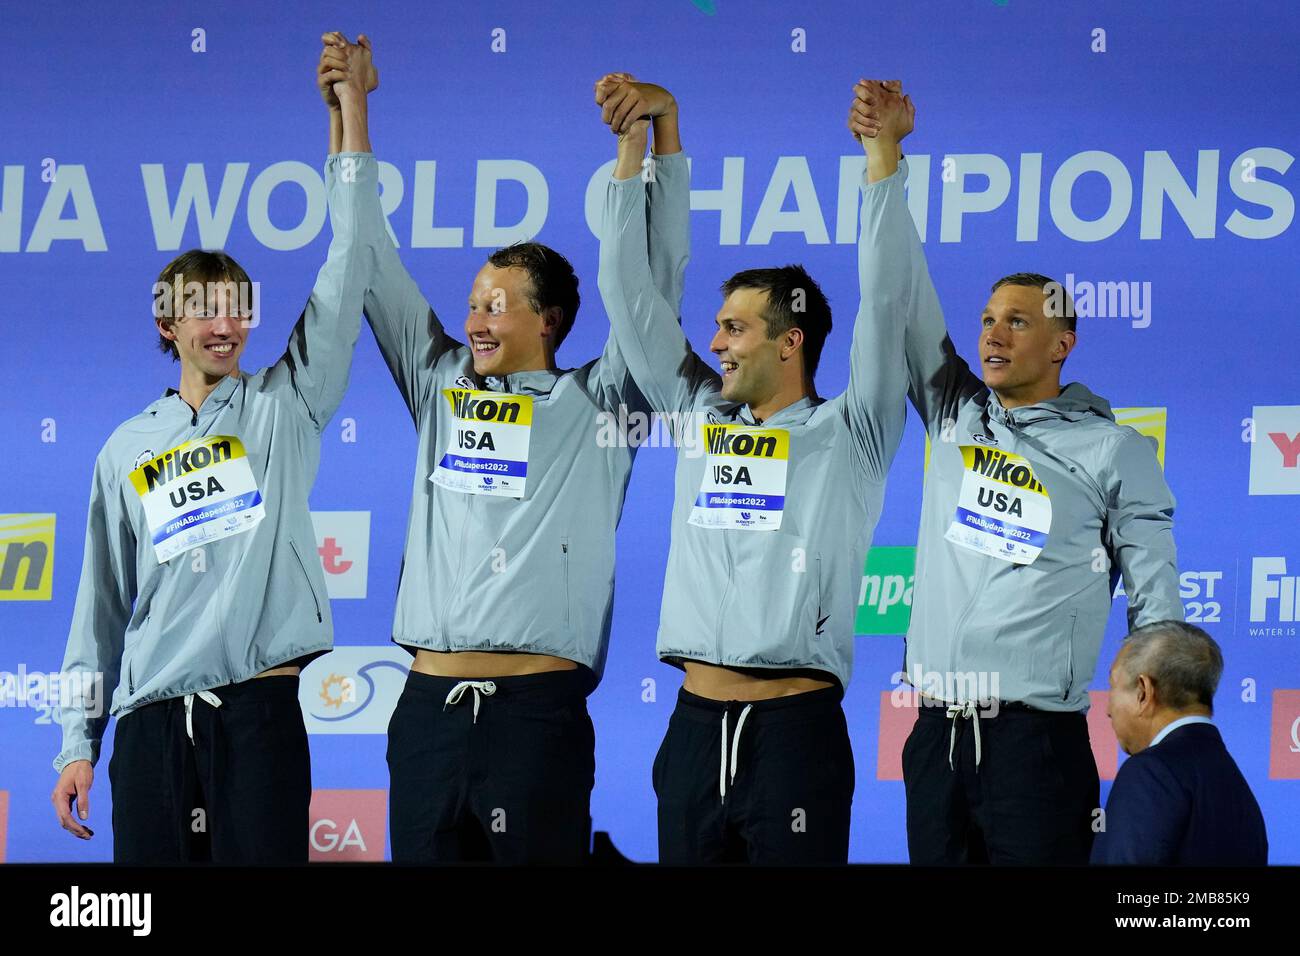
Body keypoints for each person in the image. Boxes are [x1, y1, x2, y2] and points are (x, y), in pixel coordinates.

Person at [315, 40, 659, 865]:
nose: (474, 320)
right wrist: (352, 106)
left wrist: (637, 149)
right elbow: (367, 254)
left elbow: (649, 288)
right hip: (425, 711)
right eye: (471, 302)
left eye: (496, 305)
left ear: (548, 321)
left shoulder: (604, 401)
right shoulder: (441, 384)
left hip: (535, 714)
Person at [49, 38, 377, 863]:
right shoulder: (126, 448)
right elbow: (99, 610)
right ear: (169, 324)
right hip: (152, 726)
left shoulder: (285, 403)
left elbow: (347, 264)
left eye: (236, 307)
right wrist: (76, 744)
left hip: (257, 716)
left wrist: (347, 111)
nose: (224, 323)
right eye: (203, 310)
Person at [850, 81, 1184, 865]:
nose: (994, 334)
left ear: (1064, 342)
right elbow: (895, 290)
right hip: (932, 735)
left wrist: (1164, 718)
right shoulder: (955, 408)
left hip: (1036, 744)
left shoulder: (1115, 449)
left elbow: (1156, 596)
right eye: (988, 319)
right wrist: (883, 158)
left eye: (1019, 321)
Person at [595, 75, 908, 864]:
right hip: (693, 729)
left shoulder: (852, 429)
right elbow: (626, 292)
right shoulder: (700, 413)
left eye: (735, 328)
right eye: (716, 327)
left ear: (791, 340)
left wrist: (882, 163)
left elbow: (885, 303)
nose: (718, 343)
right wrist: (647, 144)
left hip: (795, 736)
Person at [1092, 620, 1268, 865]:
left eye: (1113, 687)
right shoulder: (1234, 783)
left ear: (1143, 691)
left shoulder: (1149, 773)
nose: (1108, 710)